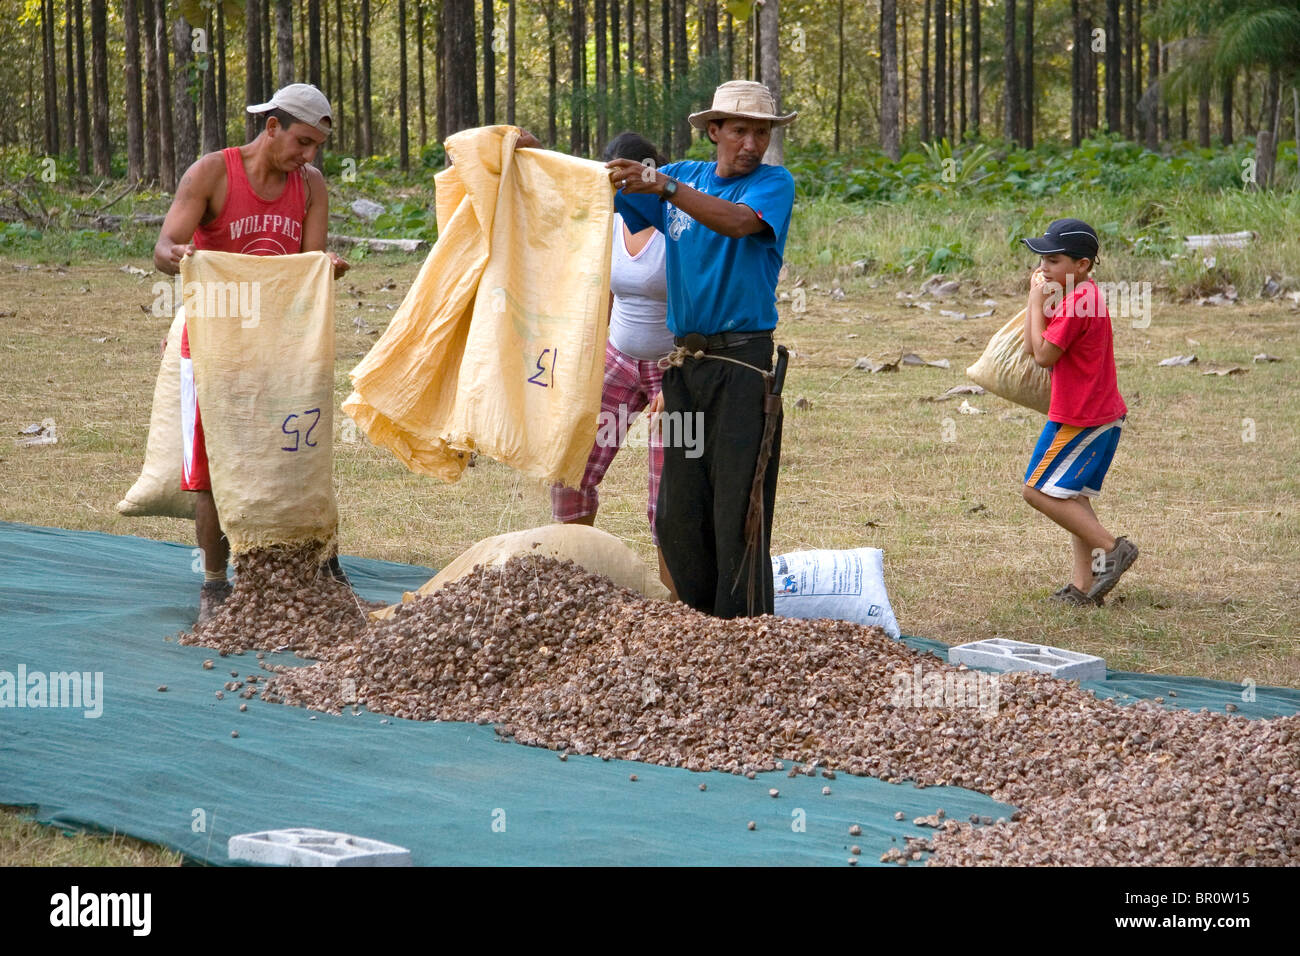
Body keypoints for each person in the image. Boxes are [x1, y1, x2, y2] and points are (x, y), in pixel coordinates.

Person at [152, 83, 351, 623]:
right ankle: (214, 588)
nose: (307, 156)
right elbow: (164, 250)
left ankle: (310, 568)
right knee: (214, 472)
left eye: (316, 147)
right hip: (216, 347)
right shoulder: (212, 173)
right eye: (302, 142)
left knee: (294, 454)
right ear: (271, 127)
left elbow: (307, 266)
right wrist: (186, 255)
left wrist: (324, 268)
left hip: (280, 347)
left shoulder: (310, 186)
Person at [604, 80, 797, 618]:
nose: (751, 143)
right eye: (739, 130)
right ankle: (694, 623)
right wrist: (532, 158)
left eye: (761, 132)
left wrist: (663, 186)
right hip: (685, 371)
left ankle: (741, 629)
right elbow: (601, 195)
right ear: (713, 131)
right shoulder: (686, 176)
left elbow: (736, 223)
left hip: (742, 368)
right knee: (678, 509)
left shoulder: (772, 185)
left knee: (737, 504)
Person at [551, 132, 677, 596]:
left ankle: (674, 609)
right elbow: (602, 290)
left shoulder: (677, 224)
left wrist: (679, 380)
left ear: (649, 174)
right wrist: (584, 360)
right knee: (571, 470)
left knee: (666, 500)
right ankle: (573, 585)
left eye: (627, 180)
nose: (618, 190)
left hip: (673, 367)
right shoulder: (608, 220)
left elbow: (698, 302)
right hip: (620, 358)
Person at [1020, 218, 1137, 606]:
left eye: (1053, 260)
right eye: (1041, 259)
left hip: (1082, 418)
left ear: (1082, 264)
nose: (1043, 268)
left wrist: (1036, 301)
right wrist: (1036, 302)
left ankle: (1113, 550)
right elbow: (1029, 344)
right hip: (1094, 415)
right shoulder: (1078, 296)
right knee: (1071, 497)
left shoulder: (1078, 303)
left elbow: (1041, 355)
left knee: (1037, 491)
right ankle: (1082, 589)